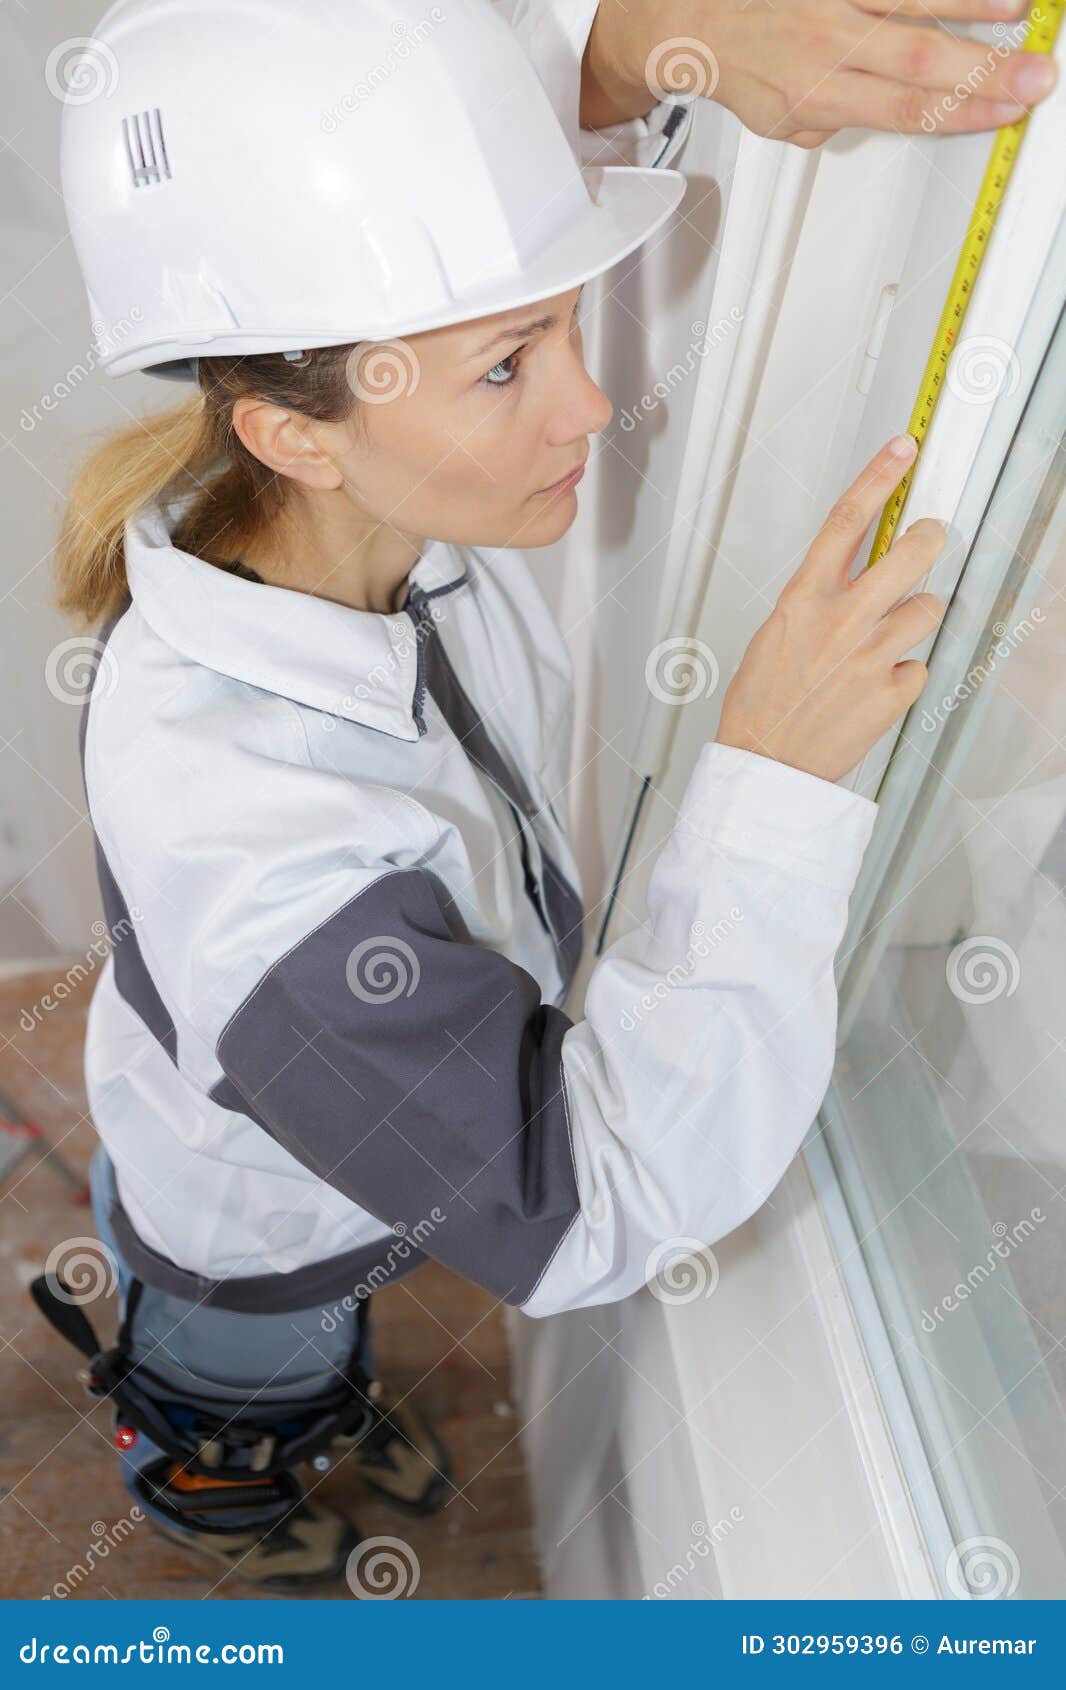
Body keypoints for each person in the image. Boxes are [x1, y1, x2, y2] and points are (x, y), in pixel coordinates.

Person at [32, 0, 965, 1592]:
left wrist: (639, 46)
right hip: (248, 1234)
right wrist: (774, 776)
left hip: (307, 1139)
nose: (586, 407)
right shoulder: (263, 854)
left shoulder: (364, 527)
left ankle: (297, 1411)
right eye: (506, 365)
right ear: (291, 434)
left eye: (562, 327)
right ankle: (216, 1480)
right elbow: (588, 1204)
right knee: (243, 1377)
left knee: (324, 1344)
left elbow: (466, 207)